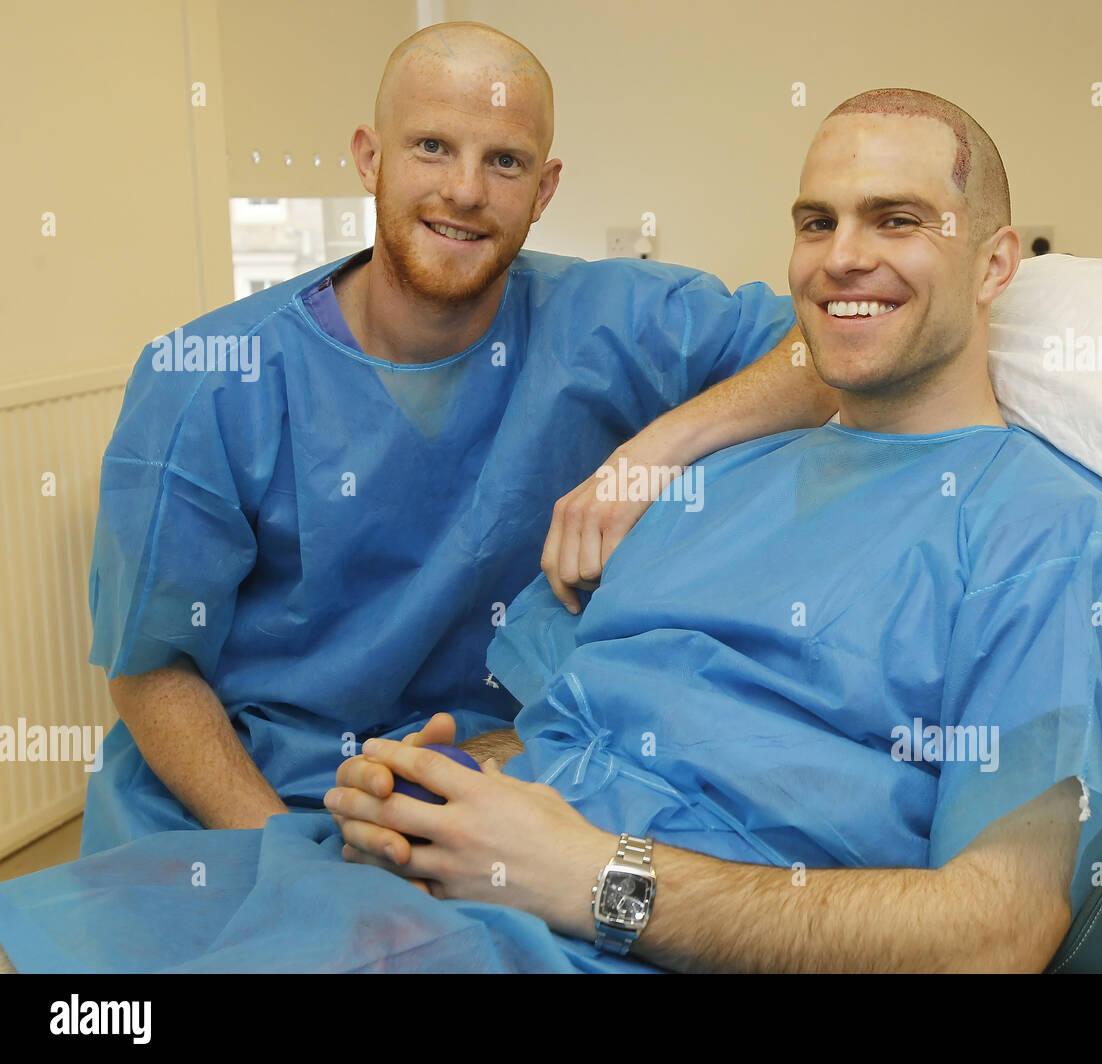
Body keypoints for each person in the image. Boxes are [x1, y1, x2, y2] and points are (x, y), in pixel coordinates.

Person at [0, 87, 1102, 975]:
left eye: (897, 217)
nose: (844, 255)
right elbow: (559, 729)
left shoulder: (1055, 541)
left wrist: (594, 878)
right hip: (424, 876)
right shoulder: (722, 481)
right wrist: (427, 785)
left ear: (993, 264)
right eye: (816, 220)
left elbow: (999, 931)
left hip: (618, 930)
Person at [80, 21, 836, 856]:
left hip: (490, 775)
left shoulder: (607, 322)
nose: (466, 191)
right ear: (371, 159)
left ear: (544, 190)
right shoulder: (212, 379)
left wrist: (652, 452)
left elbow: (826, 344)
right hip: (255, 792)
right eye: (432, 147)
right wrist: (288, 861)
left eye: (504, 161)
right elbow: (150, 667)